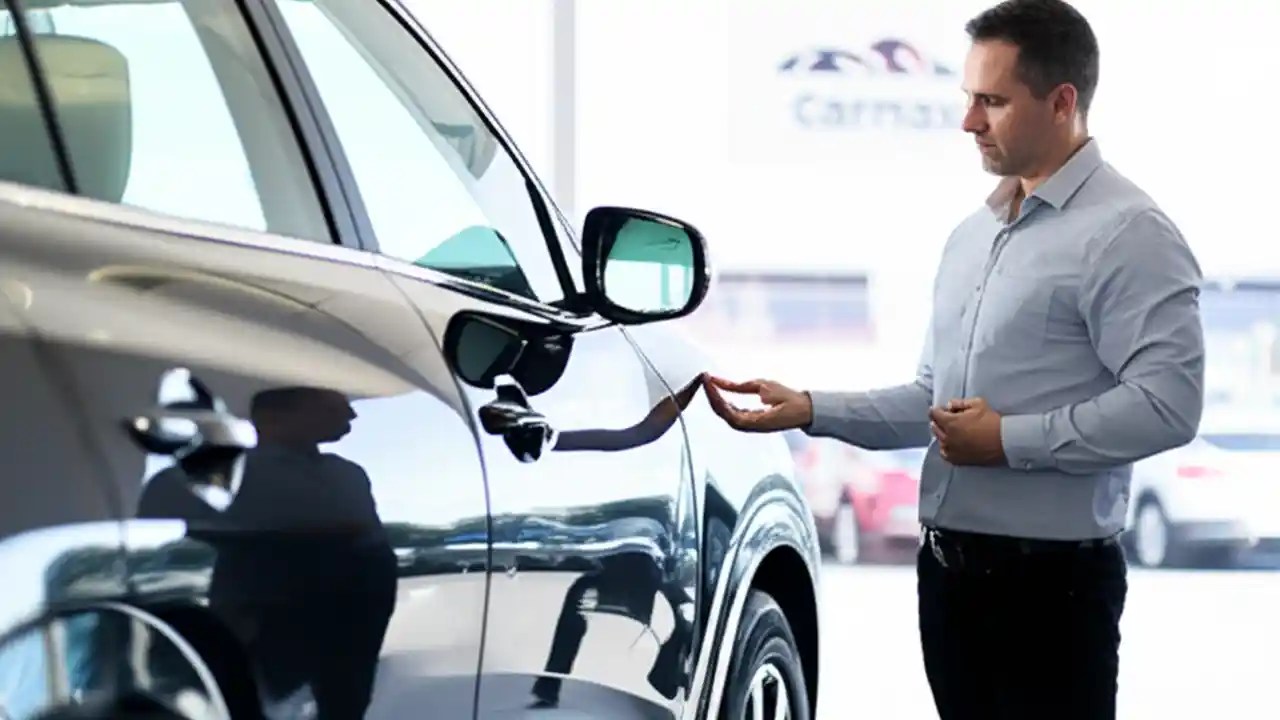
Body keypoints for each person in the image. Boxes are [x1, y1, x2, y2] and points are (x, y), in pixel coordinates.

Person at [702, 1, 1205, 718]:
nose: (969, 121)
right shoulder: (974, 235)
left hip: (1052, 592)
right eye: (969, 97)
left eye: (992, 101)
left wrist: (1006, 439)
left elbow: (1168, 405)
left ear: (1062, 103)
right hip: (949, 577)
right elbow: (932, 403)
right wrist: (811, 408)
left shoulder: (1131, 234)